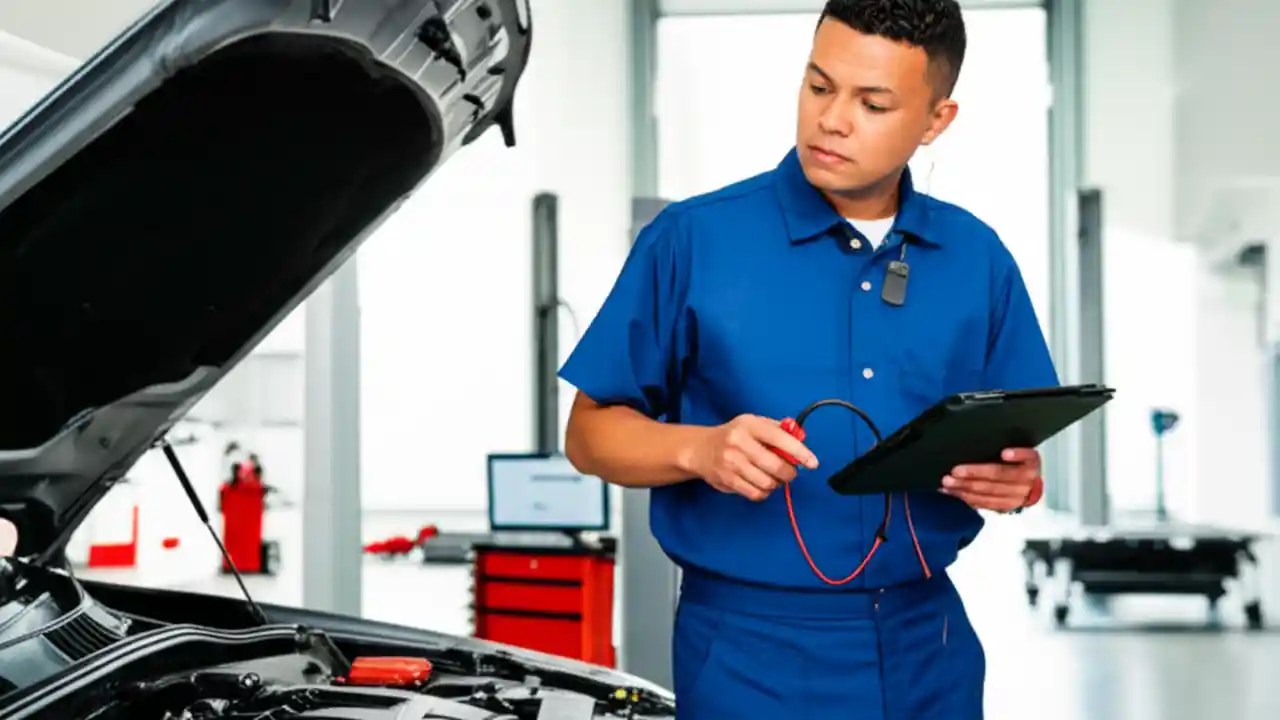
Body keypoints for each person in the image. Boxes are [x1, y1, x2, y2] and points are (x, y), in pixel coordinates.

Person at [558, 0, 1057, 717]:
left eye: (873, 103)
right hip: (747, 653)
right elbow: (588, 434)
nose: (832, 119)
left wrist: (1017, 481)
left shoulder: (977, 257)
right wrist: (701, 450)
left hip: (930, 647)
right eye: (819, 86)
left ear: (935, 120)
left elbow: (1016, 444)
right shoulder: (692, 241)